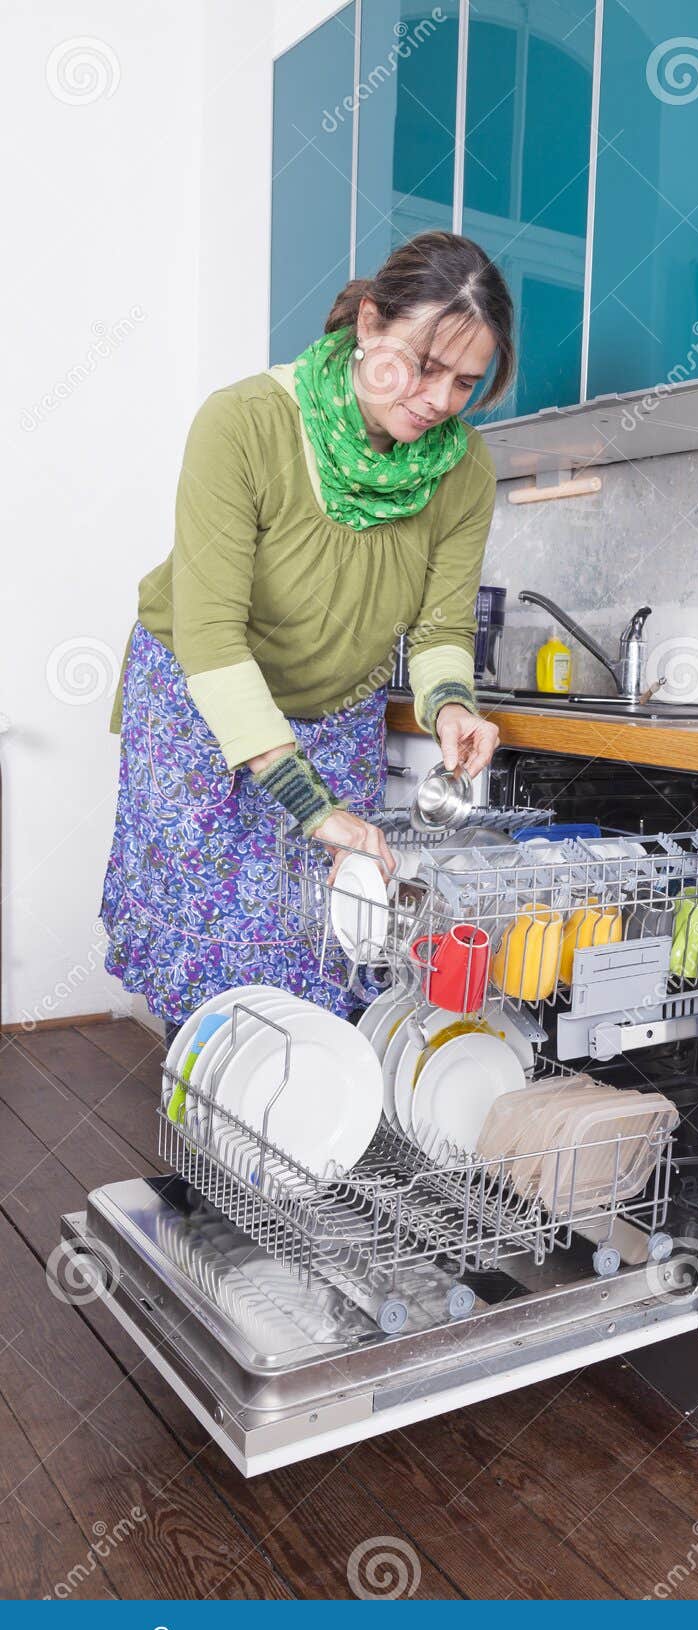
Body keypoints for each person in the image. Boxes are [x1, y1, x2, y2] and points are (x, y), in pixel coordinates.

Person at [100, 230, 512, 1044]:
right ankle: (203, 1104)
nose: (439, 399)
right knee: (205, 941)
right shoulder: (244, 422)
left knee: (322, 935)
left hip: (336, 707)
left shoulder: (463, 471)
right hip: (200, 701)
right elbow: (212, 635)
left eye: (465, 381)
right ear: (369, 324)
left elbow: (439, 625)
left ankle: (301, 1107)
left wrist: (451, 707)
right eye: (424, 366)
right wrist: (307, 803)